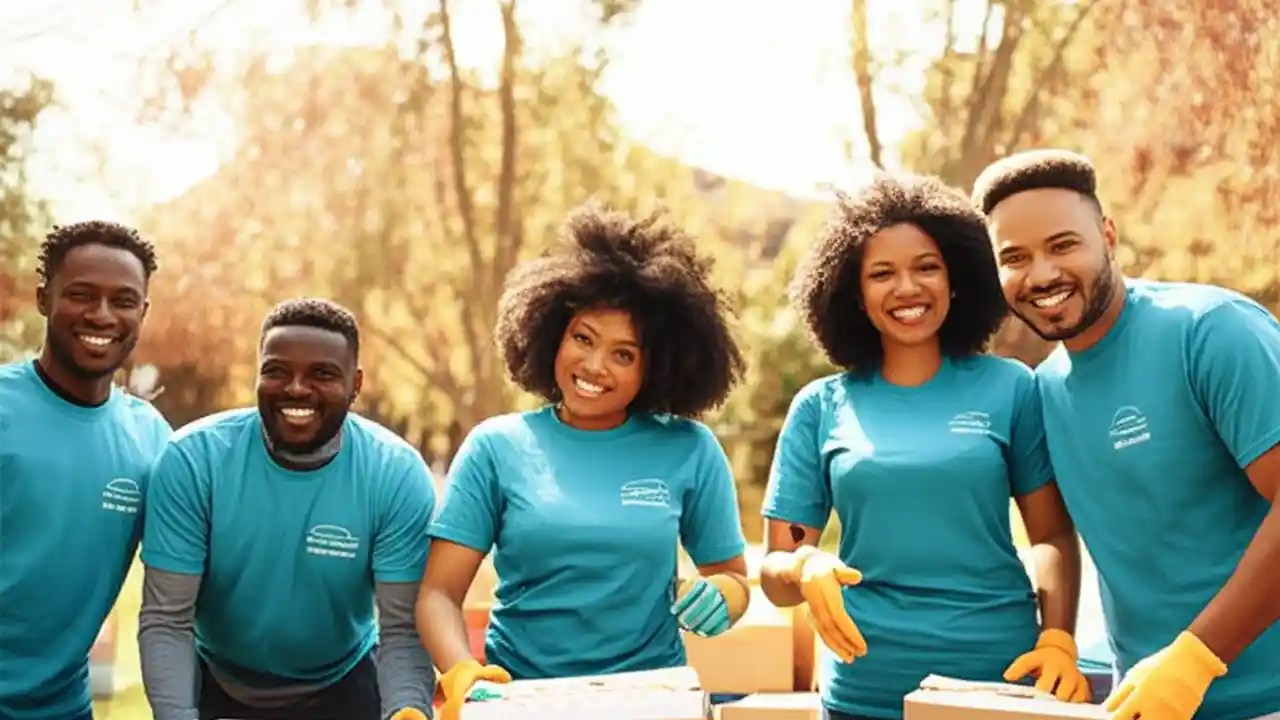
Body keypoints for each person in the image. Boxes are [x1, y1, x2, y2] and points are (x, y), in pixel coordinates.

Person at [759, 174, 1090, 720]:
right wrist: (802, 567)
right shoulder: (820, 407)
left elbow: (1051, 533)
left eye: (926, 267)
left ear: (956, 278)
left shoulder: (1010, 388)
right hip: (864, 687)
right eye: (882, 274)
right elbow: (776, 569)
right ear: (855, 295)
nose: (907, 287)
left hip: (996, 679)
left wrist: (1057, 638)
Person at [974, 149, 1280, 720]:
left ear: (1108, 236)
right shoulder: (1045, 391)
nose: (1041, 274)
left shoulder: (1210, 333)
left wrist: (1197, 658)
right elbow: (1059, 538)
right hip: (1142, 704)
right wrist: (1060, 641)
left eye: (1063, 245)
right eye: (1015, 257)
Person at [415, 202, 751, 720]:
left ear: (656, 367)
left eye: (624, 354)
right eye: (583, 339)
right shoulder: (496, 446)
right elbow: (438, 593)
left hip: (653, 702)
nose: (594, 366)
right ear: (552, 333)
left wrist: (723, 596)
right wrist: (461, 672)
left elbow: (732, 576)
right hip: (521, 703)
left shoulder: (689, 448)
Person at [137, 298, 436, 720]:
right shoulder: (194, 460)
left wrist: (407, 711)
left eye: (323, 374)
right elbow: (167, 621)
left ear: (356, 384)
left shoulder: (395, 473)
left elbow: (403, 632)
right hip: (218, 681)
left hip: (343, 684)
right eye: (277, 371)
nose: (296, 388)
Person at [0, 221, 171, 720]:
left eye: (123, 300)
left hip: (65, 708)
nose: (101, 315)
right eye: (81, 295)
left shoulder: (152, 440)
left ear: (142, 312)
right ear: (43, 299)